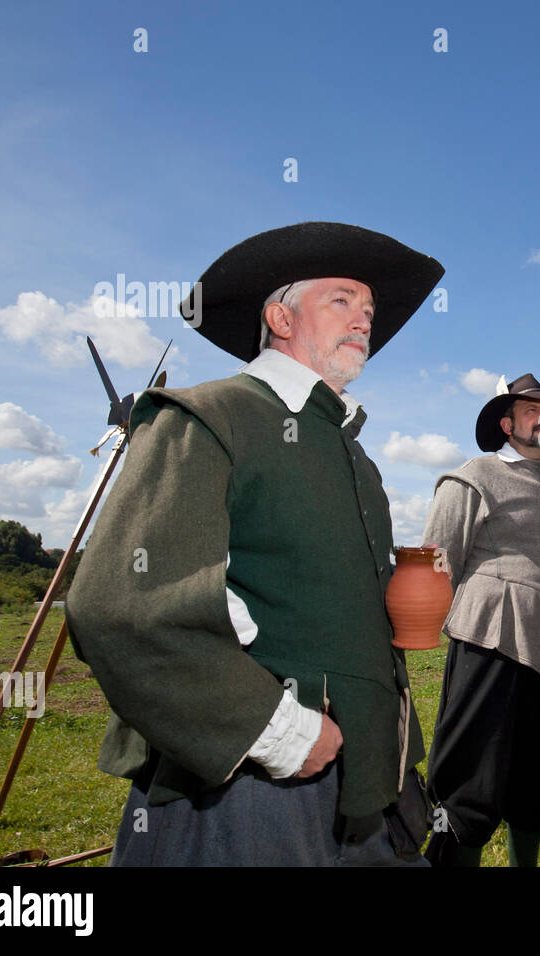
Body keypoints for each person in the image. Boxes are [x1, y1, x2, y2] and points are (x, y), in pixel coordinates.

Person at [66, 222, 444, 865]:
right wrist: (280, 734)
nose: (364, 321)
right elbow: (122, 606)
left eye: (370, 310)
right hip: (249, 794)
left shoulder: (354, 455)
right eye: (343, 301)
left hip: (364, 782)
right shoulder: (208, 416)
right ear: (281, 317)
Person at [420, 373, 540, 866]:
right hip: (489, 646)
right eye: (529, 410)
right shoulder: (472, 478)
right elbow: (439, 564)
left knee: (537, 781)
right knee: (470, 780)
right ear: (506, 423)